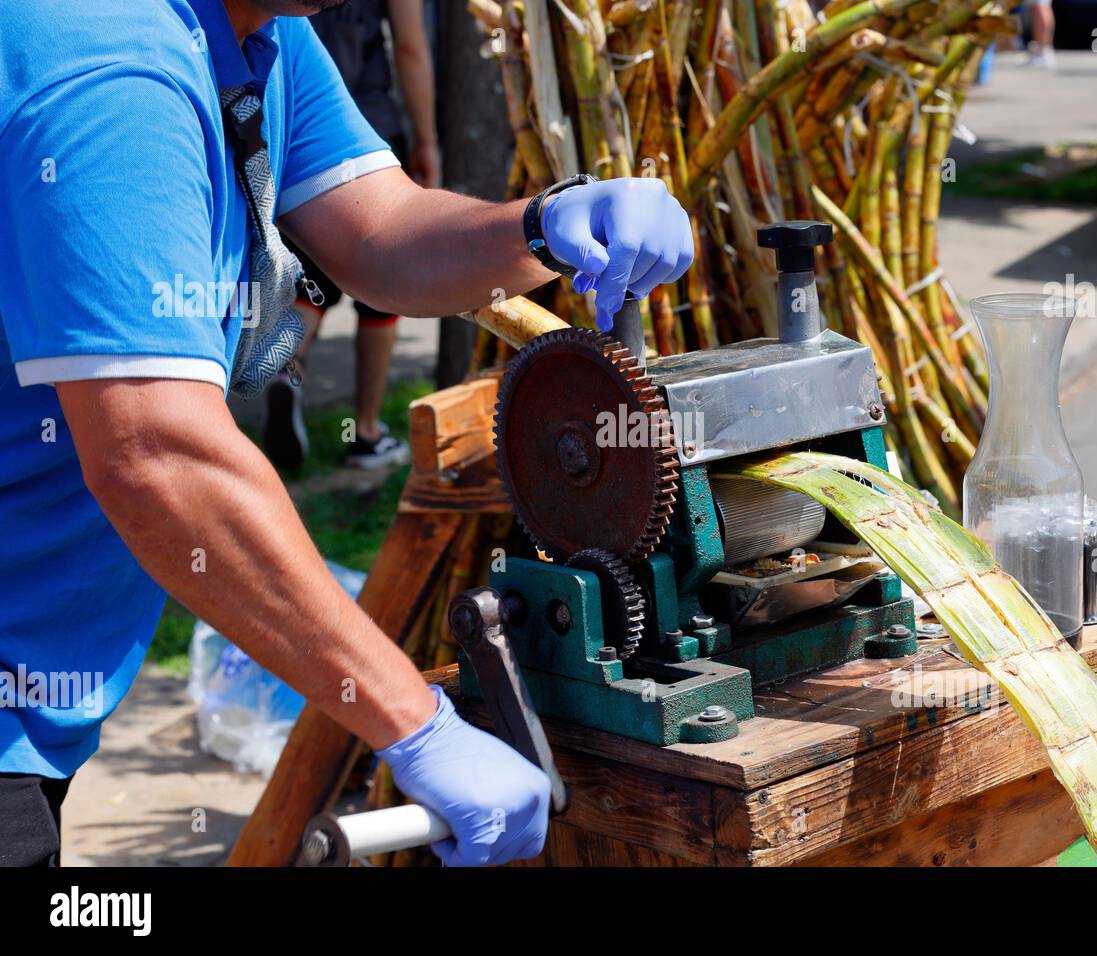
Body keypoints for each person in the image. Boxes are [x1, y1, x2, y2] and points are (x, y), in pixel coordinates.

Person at [0, 0, 694, 867]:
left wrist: (545, 227)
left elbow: (379, 234)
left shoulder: (263, 31)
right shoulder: (109, 70)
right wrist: (415, 725)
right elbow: (158, 456)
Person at [265, 0, 438, 471]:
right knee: (382, 287)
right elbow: (410, 46)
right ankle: (365, 432)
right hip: (367, 129)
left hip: (300, 127)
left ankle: (287, 367)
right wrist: (426, 139)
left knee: (313, 279)